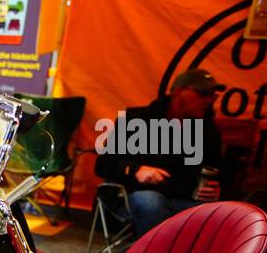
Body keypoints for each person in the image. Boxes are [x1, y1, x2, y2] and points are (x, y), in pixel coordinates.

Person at [95, 68, 226, 238]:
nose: (208, 101)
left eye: (213, 96)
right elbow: (103, 164)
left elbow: (216, 171)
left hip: (185, 198)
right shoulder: (137, 120)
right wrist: (136, 170)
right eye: (203, 94)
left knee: (214, 213)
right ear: (179, 93)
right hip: (140, 195)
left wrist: (215, 189)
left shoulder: (207, 130)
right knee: (150, 203)